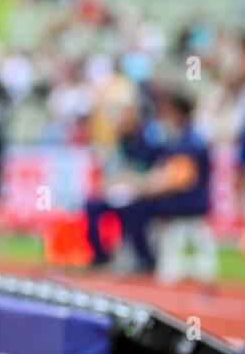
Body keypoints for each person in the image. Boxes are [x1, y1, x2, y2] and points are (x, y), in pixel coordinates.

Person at [84, 90, 211, 272]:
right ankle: (103, 256)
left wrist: (139, 188)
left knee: (136, 209)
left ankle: (146, 260)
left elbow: (177, 180)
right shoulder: (158, 138)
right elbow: (134, 171)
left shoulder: (188, 140)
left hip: (185, 200)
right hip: (149, 192)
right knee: (96, 204)